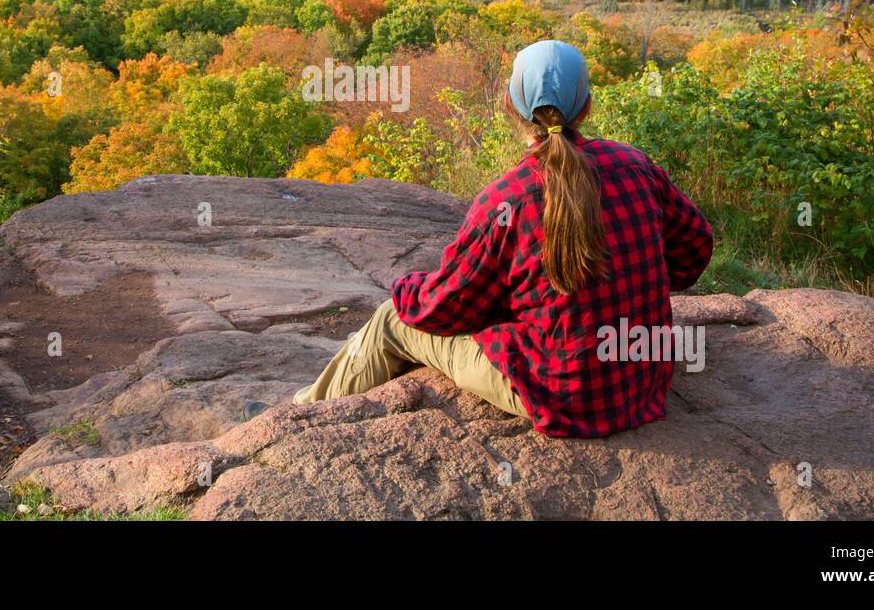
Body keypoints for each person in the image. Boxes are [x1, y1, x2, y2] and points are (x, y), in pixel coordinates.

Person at [290, 39, 713, 438]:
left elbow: (443, 310)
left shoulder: (506, 200)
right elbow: (694, 253)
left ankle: (299, 419)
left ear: (509, 105)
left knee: (391, 320)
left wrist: (406, 288)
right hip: (643, 379)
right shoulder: (635, 166)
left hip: (561, 397)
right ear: (586, 107)